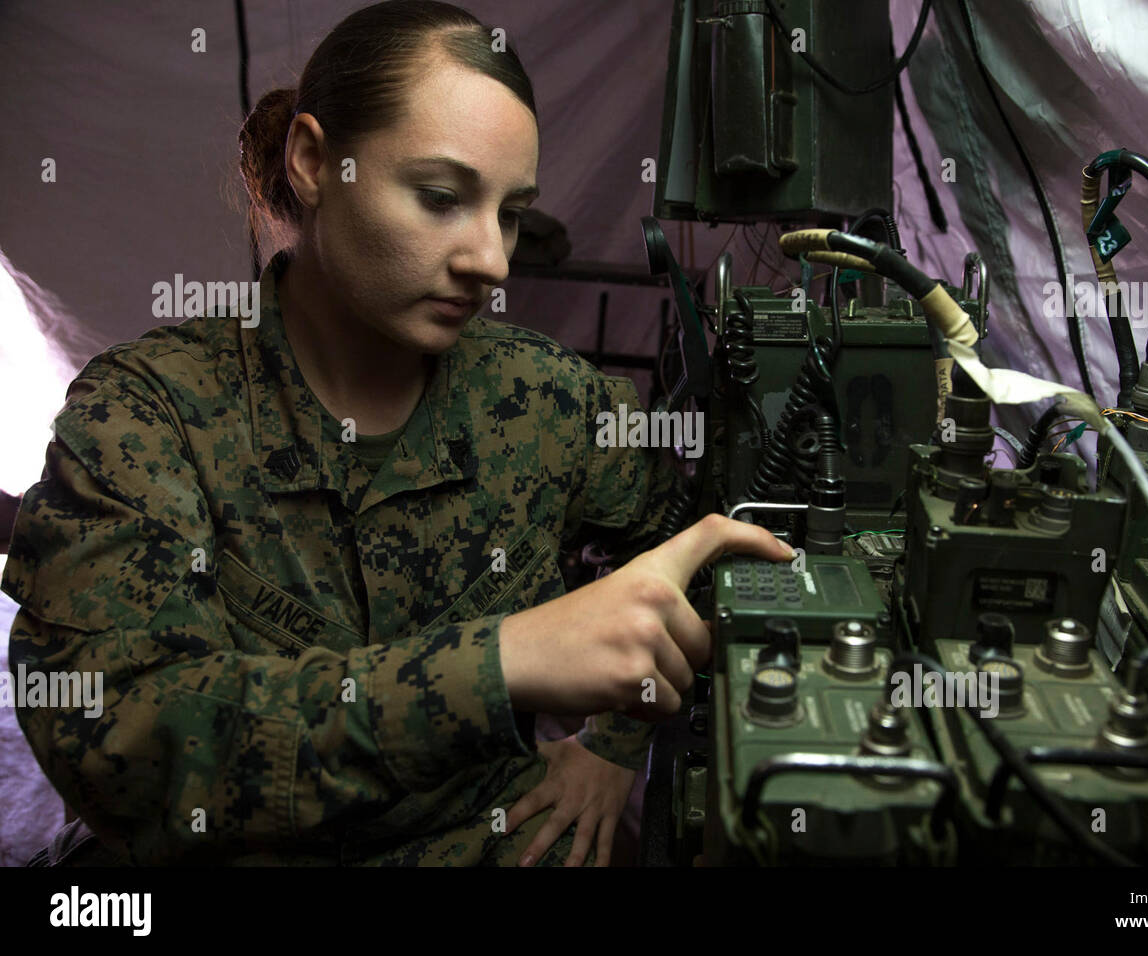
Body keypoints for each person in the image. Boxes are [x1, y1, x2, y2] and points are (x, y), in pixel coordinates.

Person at [1, 0, 789, 866]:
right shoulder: (144, 420)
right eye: (442, 197)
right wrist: (500, 662)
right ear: (312, 162)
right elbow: (124, 746)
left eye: (511, 213)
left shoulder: (549, 403)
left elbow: (686, 568)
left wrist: (613, 747)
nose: (491, 259)